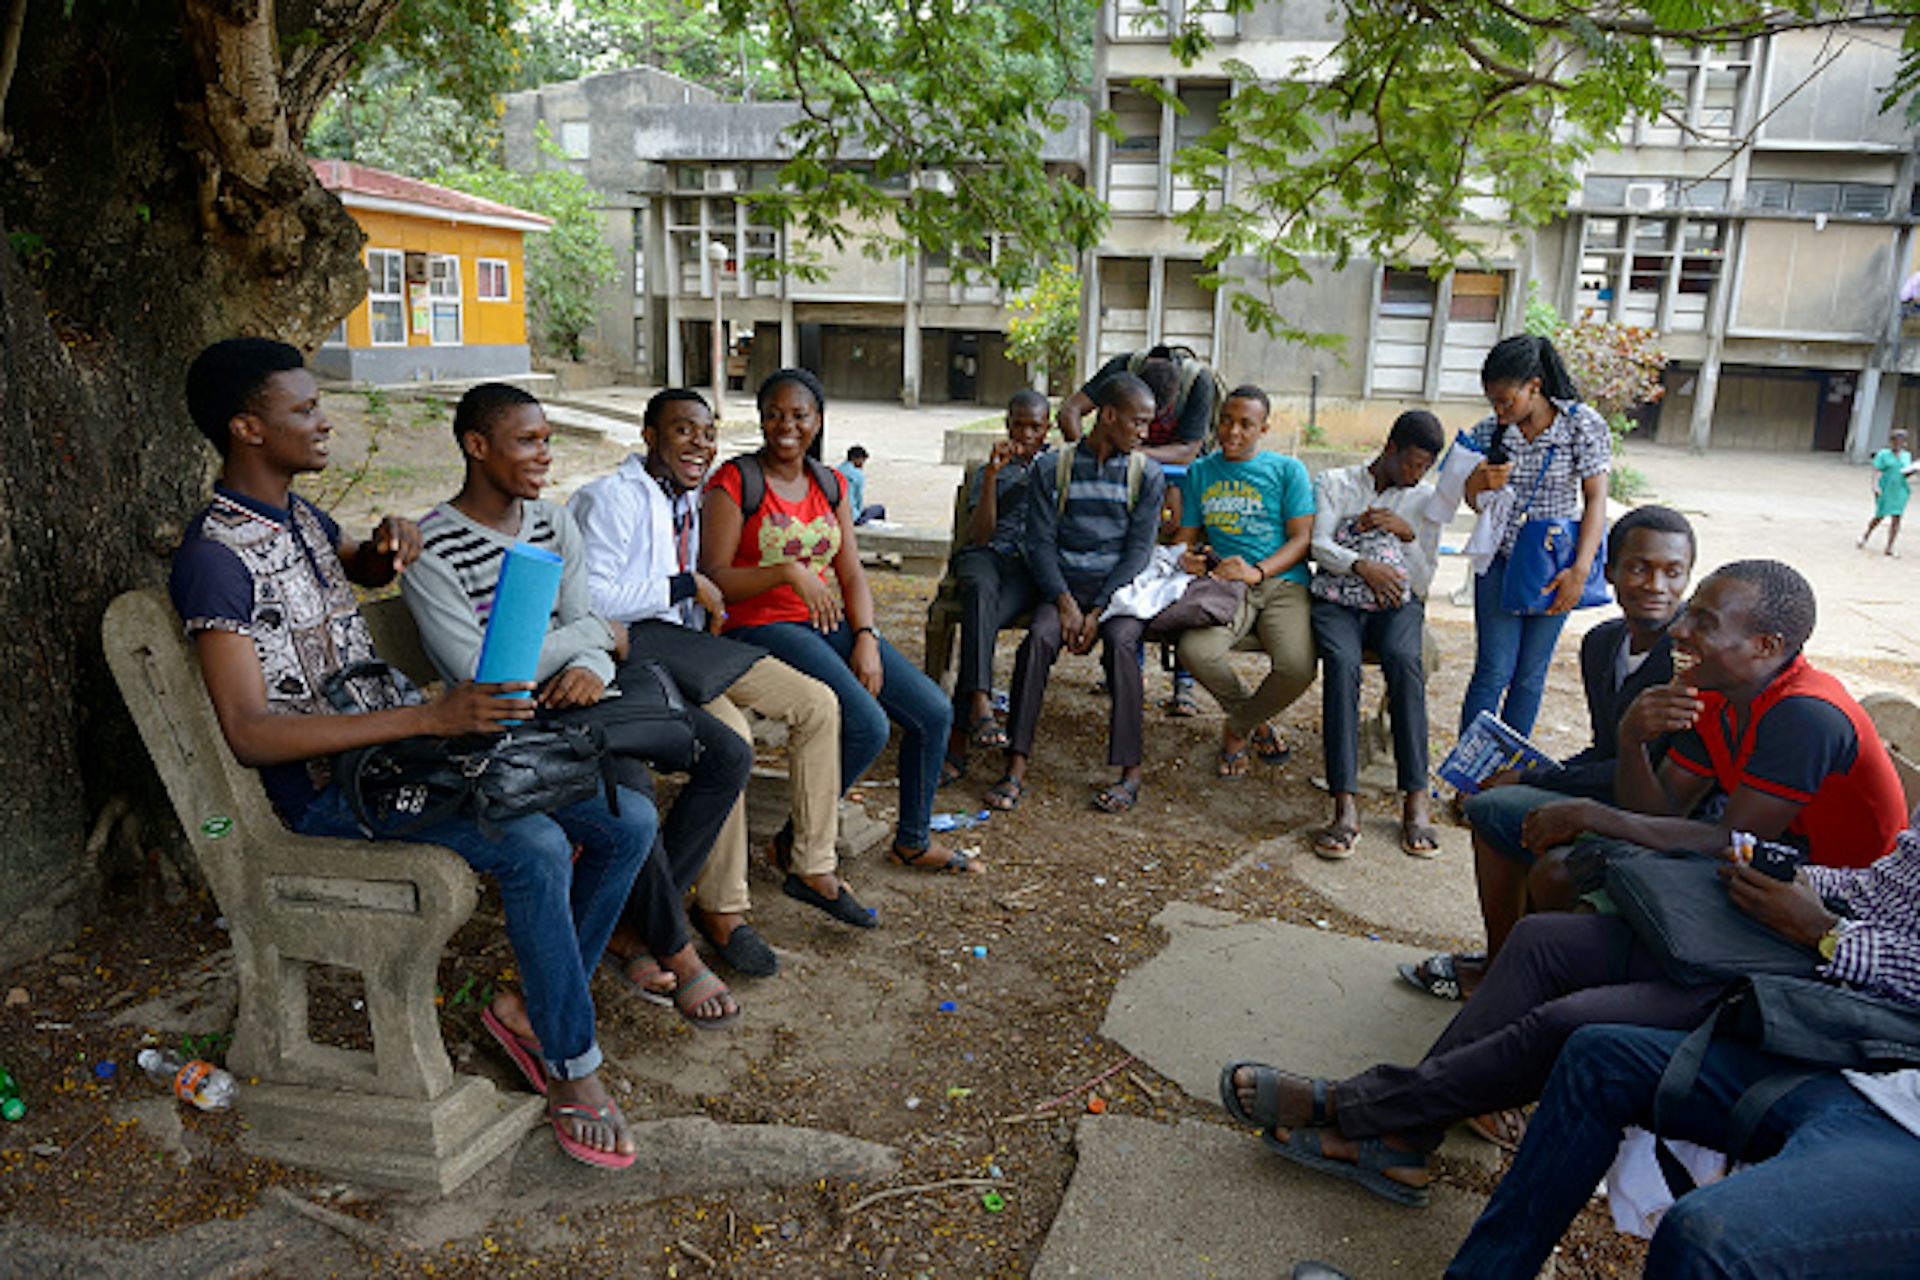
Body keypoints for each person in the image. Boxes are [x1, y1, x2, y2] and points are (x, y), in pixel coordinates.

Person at [171, 340, 651, 1169]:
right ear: (247, 428)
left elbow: (356, 564)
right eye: (304, 411)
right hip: (335, 792)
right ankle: (574, 1068)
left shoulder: (301, 517)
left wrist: (386, 542)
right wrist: (425, 721)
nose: (324, 422)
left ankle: (538, 1011)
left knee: (628, 819)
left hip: (404, 762)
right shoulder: (215, 561)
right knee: (534, 845)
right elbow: (249, 731)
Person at [1220, 810, 1920, 1211]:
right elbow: (1885, 886)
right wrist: (1790, 882)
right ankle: (1402, 1136)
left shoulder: (1806, 717)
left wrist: (1823, 932)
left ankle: (1362, 1110)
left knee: (1574, 1023)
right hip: (1798, 945)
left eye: (1703, 623)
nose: (1685, 634)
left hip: (1844, 1006)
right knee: (1542, 943)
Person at [401, 383, 748, 1028]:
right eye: (527, 442)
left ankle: (635, 924)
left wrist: (589, 662)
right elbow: (483, 672)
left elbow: (589, 621)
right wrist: (592, 642)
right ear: (477, 447)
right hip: (513, 727)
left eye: (547, 442)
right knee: (629, 794)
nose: (544, 457)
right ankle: (667, 942)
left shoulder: (552, 522)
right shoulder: (432, 550)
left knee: (727, 753)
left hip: (584, 698)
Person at [571, 388, 876, 974]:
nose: (699, 444)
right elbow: (590, 599)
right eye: (683, 430)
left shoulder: (687, 497)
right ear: (649, 435)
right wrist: (682, 588)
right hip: (638, 658)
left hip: (696, 649)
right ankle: (723, 908)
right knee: (730, 741)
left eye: (707, 433)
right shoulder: (612, 498)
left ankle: (813, 865)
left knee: (819, 703)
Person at [1403, 505, 1697, 999]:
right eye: (1639, 567)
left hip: (1659, 814)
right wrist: (1537, 772)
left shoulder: (1688, 662)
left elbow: (1653, 777)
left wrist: (1539, 780)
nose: (1656, 585)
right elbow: (1607, 750)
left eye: (1674, 572)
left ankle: (1514, 976)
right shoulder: (1603, 644)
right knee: (1490, 805)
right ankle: (1502, 965)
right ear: (1609, 571)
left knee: (1521, 825)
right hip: (1614, 791)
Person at [702, 369, 978, 874]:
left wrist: (867, 637)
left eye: (799, 415)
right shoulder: (736, 481)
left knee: (934, 712)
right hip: (759, 627)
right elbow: (714, 577)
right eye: (774, 414)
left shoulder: (828, 484)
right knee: (867, 726)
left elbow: (850, 572)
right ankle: (794, 843)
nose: (786, 425)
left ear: (818, 420)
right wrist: (785, 572)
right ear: (761, 419)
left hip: (825, 622)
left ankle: (912, 839)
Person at [1447, 1024, 1920, 1277]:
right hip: (1878, 1075)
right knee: (1597, 1059)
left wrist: (1829, 935)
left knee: (1708, 1243)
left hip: (1903, 1142)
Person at [988, 374, 1166, 815]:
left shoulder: (1146, 473)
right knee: (1039, 641)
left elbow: (1138, 551)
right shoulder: (1055, 467)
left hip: (1116, 595)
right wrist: (1065, 602)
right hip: (1064, 588)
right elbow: (1039, 542)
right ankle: (1016, 764)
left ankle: (1130, 772)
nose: (1144, 434)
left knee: (1124, 643)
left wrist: (1100, 608)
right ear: (1107, 417)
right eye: (1137, 423)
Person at [1457, 334, 1611, 738]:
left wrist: (1580, 571)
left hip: (1553, 566)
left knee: (1529, 675)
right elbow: (1473, 501)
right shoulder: (1490, 429)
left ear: (1535, 386)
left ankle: (1508, 773)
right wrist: (1476, 482)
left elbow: (1596, 500)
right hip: (1500, 561)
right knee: (1492, 670)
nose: (1499, 409)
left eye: (1507, 399)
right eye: (1493, 400)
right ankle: (1468, 775)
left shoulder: (1582, 424)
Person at [1308, 409, 1445, 858]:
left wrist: (1407, 537)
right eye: (1411, 463)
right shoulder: (1336, 482)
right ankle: (1345, 802)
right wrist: (1361, 565)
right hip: (1339, 600)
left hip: (1396, 605)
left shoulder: (1425, 501)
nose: (1416, 474)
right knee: (1343, 664)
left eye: (1425, 467)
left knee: (1406, 662)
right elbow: (1319, 545)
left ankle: (1416, 798)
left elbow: (1422, 583)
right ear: (1390, 449)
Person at [1056, 345, 1217, 716]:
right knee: (1130, 568)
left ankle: (1184, 683)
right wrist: (1088, 454)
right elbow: (1070, 410)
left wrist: (1128, 456)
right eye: (1139, 418)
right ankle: (1128, 671)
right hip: (1123, 487)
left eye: (1154, 418)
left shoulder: (1198, 382)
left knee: (1179, 574)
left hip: (1182, 489)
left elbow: (1188, 451)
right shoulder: (1119, 368)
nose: (1146, 427)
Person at [1170, 385, 1317, 782]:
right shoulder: (1201, 471)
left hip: (1282, 583)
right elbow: (1186, 534)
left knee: (1297, 667)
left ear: (1264, 429)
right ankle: (1255, 720)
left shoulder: (1287, 471)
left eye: (1245, 425)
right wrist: (1184, 555)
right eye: (1226, 421)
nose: (1233, 432)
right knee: (1195, 651)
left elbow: (1302, 538)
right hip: (1226, 587)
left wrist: (1259, 571)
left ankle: (1239, 727)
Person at [941, 390, 1049, 781]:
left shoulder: (1055, 467)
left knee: (978, 623)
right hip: (985, 558)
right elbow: (980, 536)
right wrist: (991, 476)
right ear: (1007, 424)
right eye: (1018, 424)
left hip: (1026, 569)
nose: (1025, 433)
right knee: (980, 590)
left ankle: (958, 737)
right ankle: (981, 707)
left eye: (1034, 426)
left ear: (1047, 429)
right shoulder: (992, 467)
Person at [1860, 426, 1913, 557]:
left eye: (1902, 441)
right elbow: (1877, 471)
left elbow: (1905, 473)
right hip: (1886, 488)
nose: (1898, 444)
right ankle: (1866, 535)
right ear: (1891, 441)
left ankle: (1889, 546)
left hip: (1900, 489)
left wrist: (1913, 471)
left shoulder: (1907, 456)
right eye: (1896, 441)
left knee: (1897, 517)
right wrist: (1875, 486)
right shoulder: (1883, 454)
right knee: (1880, 515)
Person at [837, 444, 886, 525]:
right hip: (852, 517)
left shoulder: (836, 470)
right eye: (862, 461)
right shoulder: (857, 474)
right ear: (856, 459)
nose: (863, 464)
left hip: (837, 516)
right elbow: (858, 498)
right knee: (879, 509)